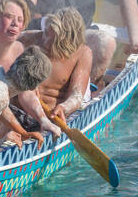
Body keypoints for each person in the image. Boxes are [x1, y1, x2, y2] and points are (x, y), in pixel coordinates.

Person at [15, 7, 93, 135]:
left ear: (68, 40)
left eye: (53, 40)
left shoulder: (83, 53)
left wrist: (64, 108)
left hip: (50, 120)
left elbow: (76, 95)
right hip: (17, 112)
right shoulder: (27, 39)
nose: (44, 42)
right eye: (45, 33)